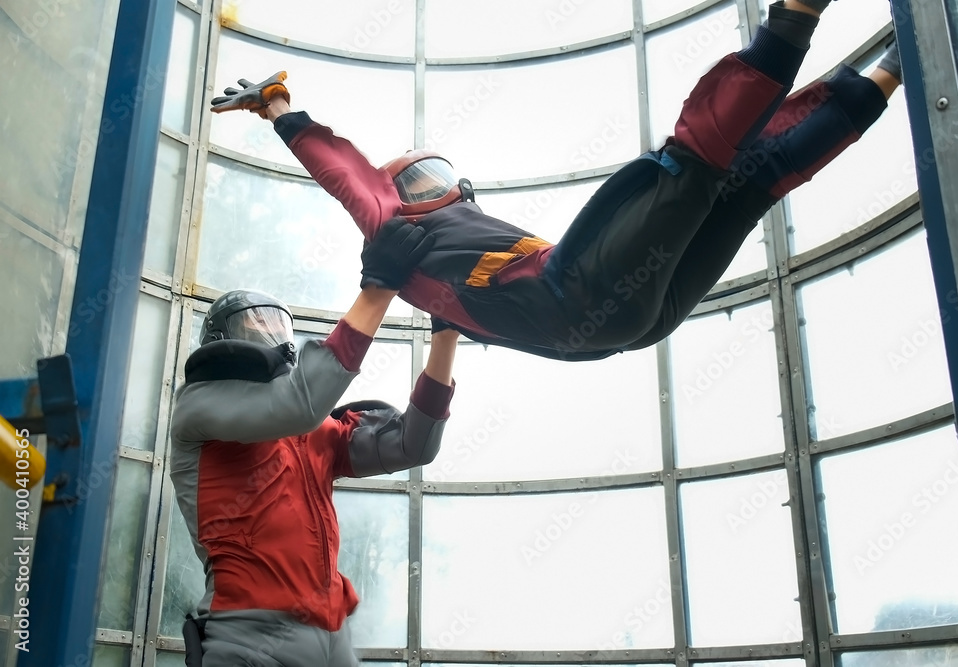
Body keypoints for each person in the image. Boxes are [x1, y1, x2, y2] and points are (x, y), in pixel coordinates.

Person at [210, 0, 903, 362]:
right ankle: (796, 16)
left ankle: (895, 67)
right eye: (422, 177)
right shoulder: (396, 231)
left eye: (441, 173)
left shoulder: (448, 271)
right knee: (694, 165)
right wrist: (279, 108)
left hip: (626, 322)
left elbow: (463, 318)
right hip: (578, 294)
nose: (445, 189)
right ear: (400, 194)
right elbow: (345, 176)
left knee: (748, 184)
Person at [169, 219, 461, 666]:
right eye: (254, 327)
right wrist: (379, 287)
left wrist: (446, 332)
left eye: (277, 327)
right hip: (248, 638)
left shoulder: (310, 425)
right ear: (221, 340)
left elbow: (412, 446)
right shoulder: (197, 409)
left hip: (332, 637)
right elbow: (299, 404)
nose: (272, 338)